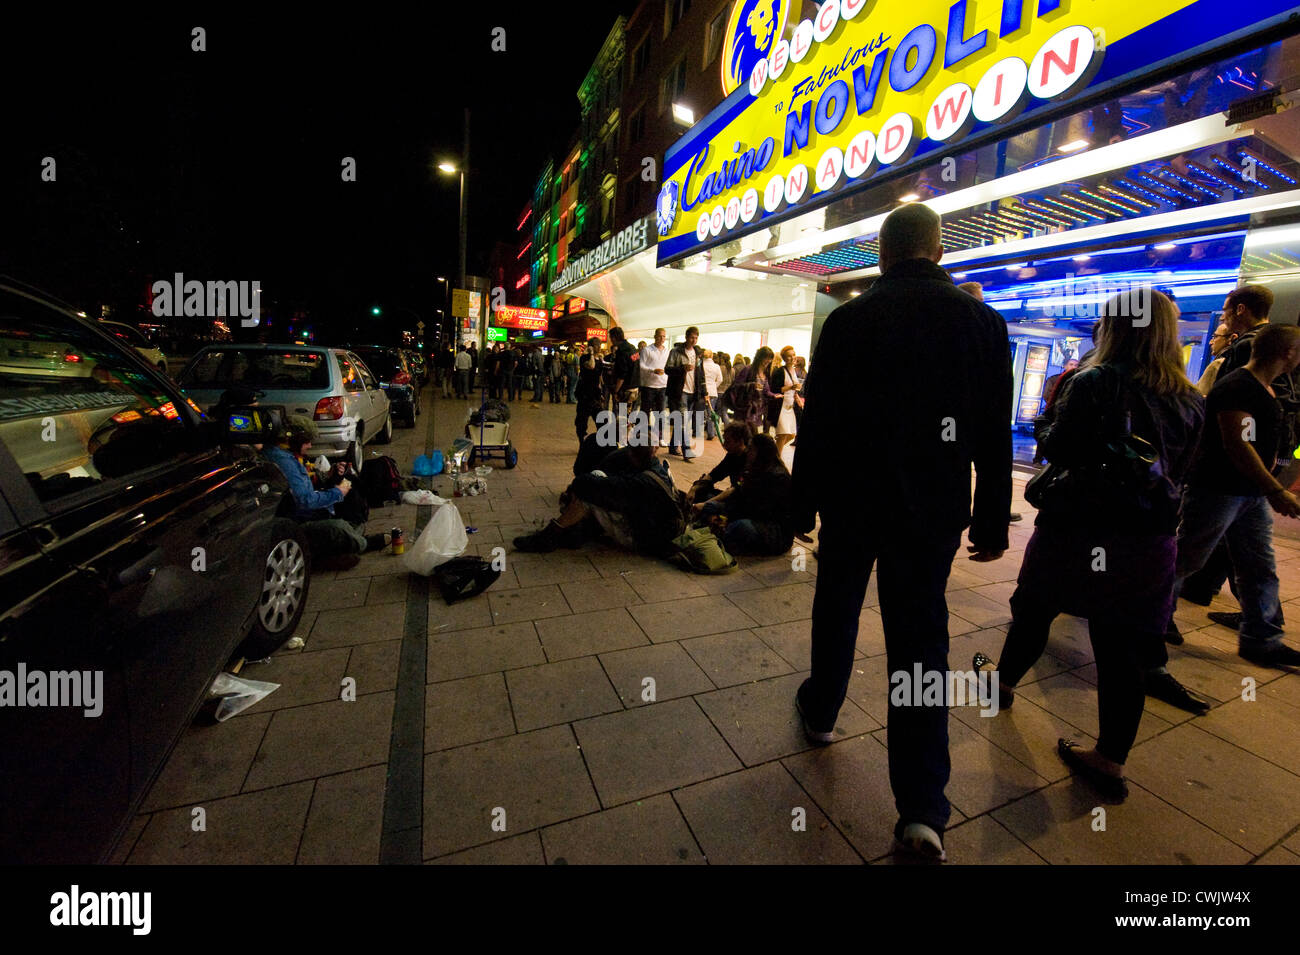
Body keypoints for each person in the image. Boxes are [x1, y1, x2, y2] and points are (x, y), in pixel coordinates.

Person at [791, 202, 1012, 863]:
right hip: (932, 511)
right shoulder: (983, 323)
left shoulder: (849, 319)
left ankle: (823, 710)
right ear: (939, 252)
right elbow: (993, 435)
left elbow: (819, 424)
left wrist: (801, 505)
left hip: (855, 503)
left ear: (882, 255)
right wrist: (994, 517)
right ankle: (921, 811)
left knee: (837, 607)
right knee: (921, 643)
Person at [975, 291, 1206, 804]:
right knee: (1122, 648)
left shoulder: (1095, 382)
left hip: (1079, 527)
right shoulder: (1192, 400)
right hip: (1149, 540)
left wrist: (1047, 427)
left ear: (1114, 328)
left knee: (1034, 608)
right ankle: (1110, 760)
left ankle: (1004, 684)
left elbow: (1058, 447)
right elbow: (1186, 469)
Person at [1167, 323, 1300, 668]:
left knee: (1259, 565)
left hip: (1248, 495)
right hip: (1218, 490)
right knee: (1187, 558)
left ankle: (1262, 639)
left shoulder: (1265, 388)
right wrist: (1274, 489)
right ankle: (1147, 615)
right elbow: (1237, 443)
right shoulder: (1238, 387)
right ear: (1287, 352)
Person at [262, 417, 397, 567]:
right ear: (295, 440)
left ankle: (344, 546)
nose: (310, 445)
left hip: (304, 515)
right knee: (337, 527)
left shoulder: (286, 455)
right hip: (297, 524)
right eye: (307, 442)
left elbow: (305, 486)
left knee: (352, 511)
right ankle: (363, 544)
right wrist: (337, 492)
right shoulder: (286, 463)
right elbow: (306, 501)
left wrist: (328, 475)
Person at [512, 442, 684, 556]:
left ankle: (549, 536)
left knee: (589, 498)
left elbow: (583, 483)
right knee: (599, 486)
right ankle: (571, 532)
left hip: (645, 540)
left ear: (632, 456)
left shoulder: (642, 481)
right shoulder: (656, 469)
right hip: (654, 529)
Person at [694, 433, 793, 556]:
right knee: (709, 502)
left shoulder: (777, 477)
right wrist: (709, 504)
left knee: (740, 526)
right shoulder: (754, 468)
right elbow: (737, 494)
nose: (748, 451)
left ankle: (714, 538)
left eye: (751, 449)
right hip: (749, 513)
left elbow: (757, 511)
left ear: (760, 453)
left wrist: (724, 516)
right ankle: (712, 532)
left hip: (772, 530)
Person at [687, 420, 752, 507]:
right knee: (700, 490)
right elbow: (713, 475)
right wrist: (694, 489)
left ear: (740, 442)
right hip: (731, 495)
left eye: (728, 442)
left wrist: (705, 505)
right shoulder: (732, 456)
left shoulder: (749, 460)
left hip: (742, 502)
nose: (724, 445)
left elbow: (734, 490)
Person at [665, 327, 706, 458]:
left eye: (696, 338)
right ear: (686, 337)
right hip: (679, 390)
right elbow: (668, 369)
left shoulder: (698, 353)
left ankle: (672, 447)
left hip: (693, 391)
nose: (693, 340)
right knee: (682, 421)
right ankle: (686, 450)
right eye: (691, 337)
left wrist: (704, 391)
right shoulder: (676, 351)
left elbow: (701, 373)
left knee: (680, 420)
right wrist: (682, 368)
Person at [639, 328, 670, 445]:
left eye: (663, 336)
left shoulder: (667, 351)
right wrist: (653, 370)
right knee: (645, 412)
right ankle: (643, 436)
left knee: (660, 413)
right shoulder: (647, 350)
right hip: (649, 385)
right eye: (659, 336)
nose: (662, 339)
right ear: (655, 336)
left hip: (662, 385)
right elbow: (641, 366)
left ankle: (659, 437)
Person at [770, 345, 801, 457]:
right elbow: (776, 389)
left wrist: (797, 397)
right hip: (781, 407)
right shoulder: (780, 371)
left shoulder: (794, 371)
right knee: (783, 434)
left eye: (793, 355)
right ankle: (777, 458)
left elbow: (794, 389)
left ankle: (774, 453)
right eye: (789, 356)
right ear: (784, 358)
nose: (793, 357)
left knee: (792, 434)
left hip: (790, 407)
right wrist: (791, 387)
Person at [574, 341, 606, 443]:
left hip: (595, 394)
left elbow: (599, 377)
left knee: (601, 419)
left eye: (599, 345)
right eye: (597, 345)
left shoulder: (600, 360)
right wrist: (591, 353)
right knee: (582, 420)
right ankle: (581, 441)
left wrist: (601, 393)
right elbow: (591, 366)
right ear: (591, 347)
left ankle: (601, 442)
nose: (599, 347)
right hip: (584, 393)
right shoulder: (584, 358)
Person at [702, 349, 723, 440]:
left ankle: (698, 431)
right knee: (711, 413)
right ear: (712, 356)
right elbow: (720, 379)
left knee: (700, 413)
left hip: (702, 392)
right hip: (713, 392)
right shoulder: (716, 366)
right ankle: (712, 432)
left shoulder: (701, 365)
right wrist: (714, 386)